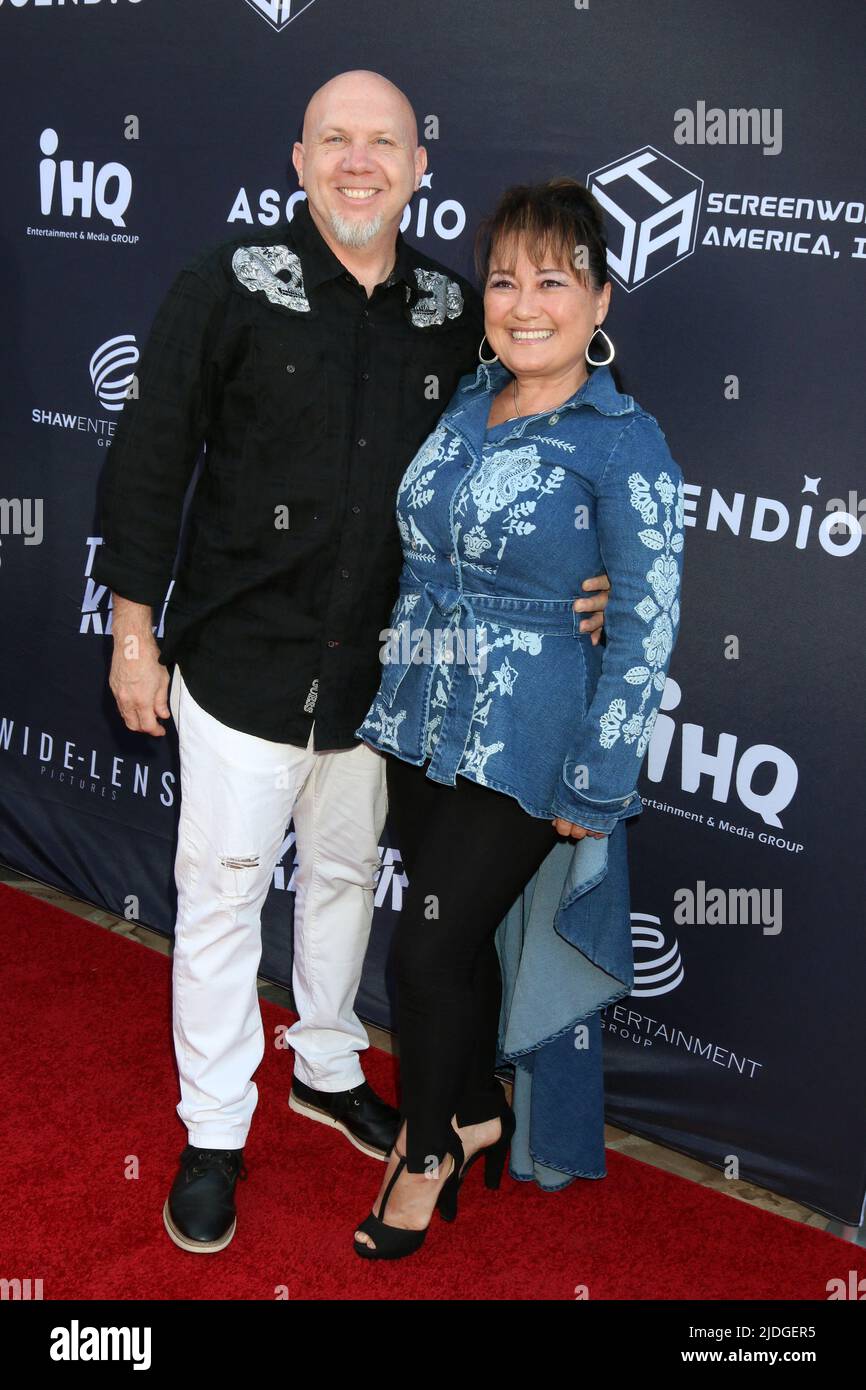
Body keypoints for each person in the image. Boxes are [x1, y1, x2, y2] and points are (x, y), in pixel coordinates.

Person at [92, 72, 612, 1254]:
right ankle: (213, 1132)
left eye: (384, 142)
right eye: (336, 141)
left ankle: (324, 1066)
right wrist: (134, 629)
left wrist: (595, 571)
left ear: (421, 164)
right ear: (298, 160)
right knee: (222, 899)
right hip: (238, 666)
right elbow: (147, 458)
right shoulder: (224, 285)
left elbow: (547, 413)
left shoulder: (449, 308)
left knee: (338, 880)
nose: (359, 162)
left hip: (389, 683)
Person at [352, 176, 685, 1259]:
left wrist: (599, 774)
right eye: (503, 278)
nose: (522, 300)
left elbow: (643, 622)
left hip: (529, 739)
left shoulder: (621, 440)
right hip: (418, 711)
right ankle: (479, 1106)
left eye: (554, 278)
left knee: (423, 950)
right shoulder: (462, 402)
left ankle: (425, 1148)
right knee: (462, 945)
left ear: (599, 304)